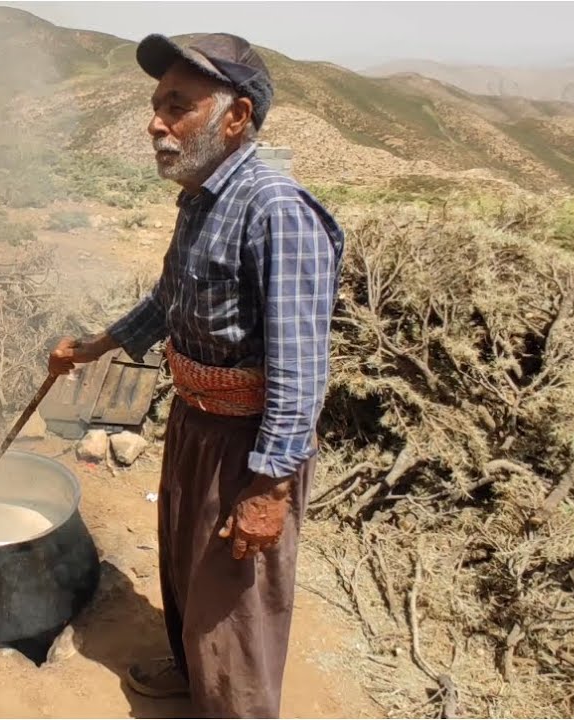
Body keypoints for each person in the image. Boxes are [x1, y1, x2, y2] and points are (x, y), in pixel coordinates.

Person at [48, 33, 345, 719]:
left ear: (235, 116)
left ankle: (233, 706)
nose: (155, 122)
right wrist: (90, 349)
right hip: (195, 420)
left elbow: (301, 370)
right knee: (187, 568)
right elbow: (166, 303)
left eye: (177, 105)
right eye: (156, 105)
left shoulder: (276, 210)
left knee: (235, 599)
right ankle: (192, 678)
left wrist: (269, 487)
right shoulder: (203, 198)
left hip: (246, 442)